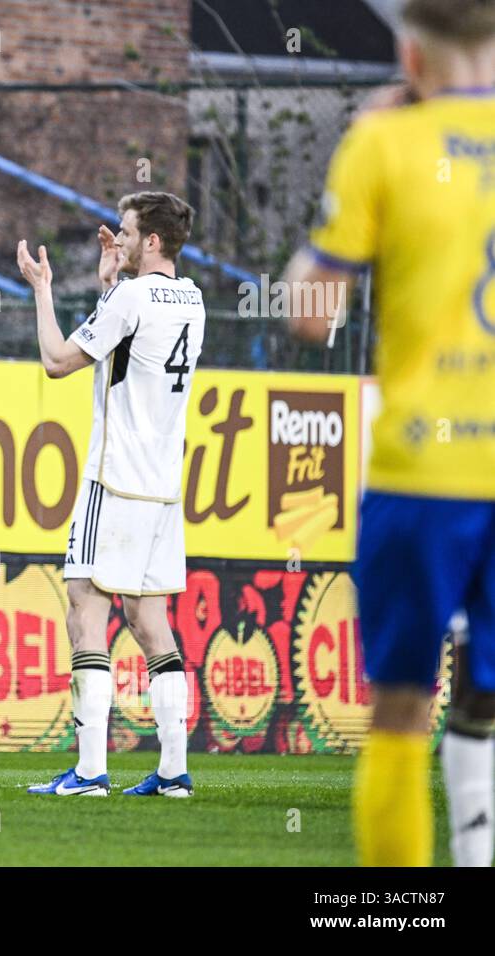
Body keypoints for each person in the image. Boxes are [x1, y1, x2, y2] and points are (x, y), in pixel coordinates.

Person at [284, 0, 495, 867]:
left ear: (409, 55)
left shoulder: (385, 143)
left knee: (403, 706)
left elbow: (307, 311)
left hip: (422, 474)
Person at [18, 191, 205, 797]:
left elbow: (56, 361)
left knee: (84, 606)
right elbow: (131, 347)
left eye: (125, 232)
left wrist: (43, 288)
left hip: (115, 478)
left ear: (151, 241)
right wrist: (108, 285)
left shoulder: (131, 296)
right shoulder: (194, 298)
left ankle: (91, 771)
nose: (116, 239)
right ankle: (174, 771)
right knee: (151, 620)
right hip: (160, 488)